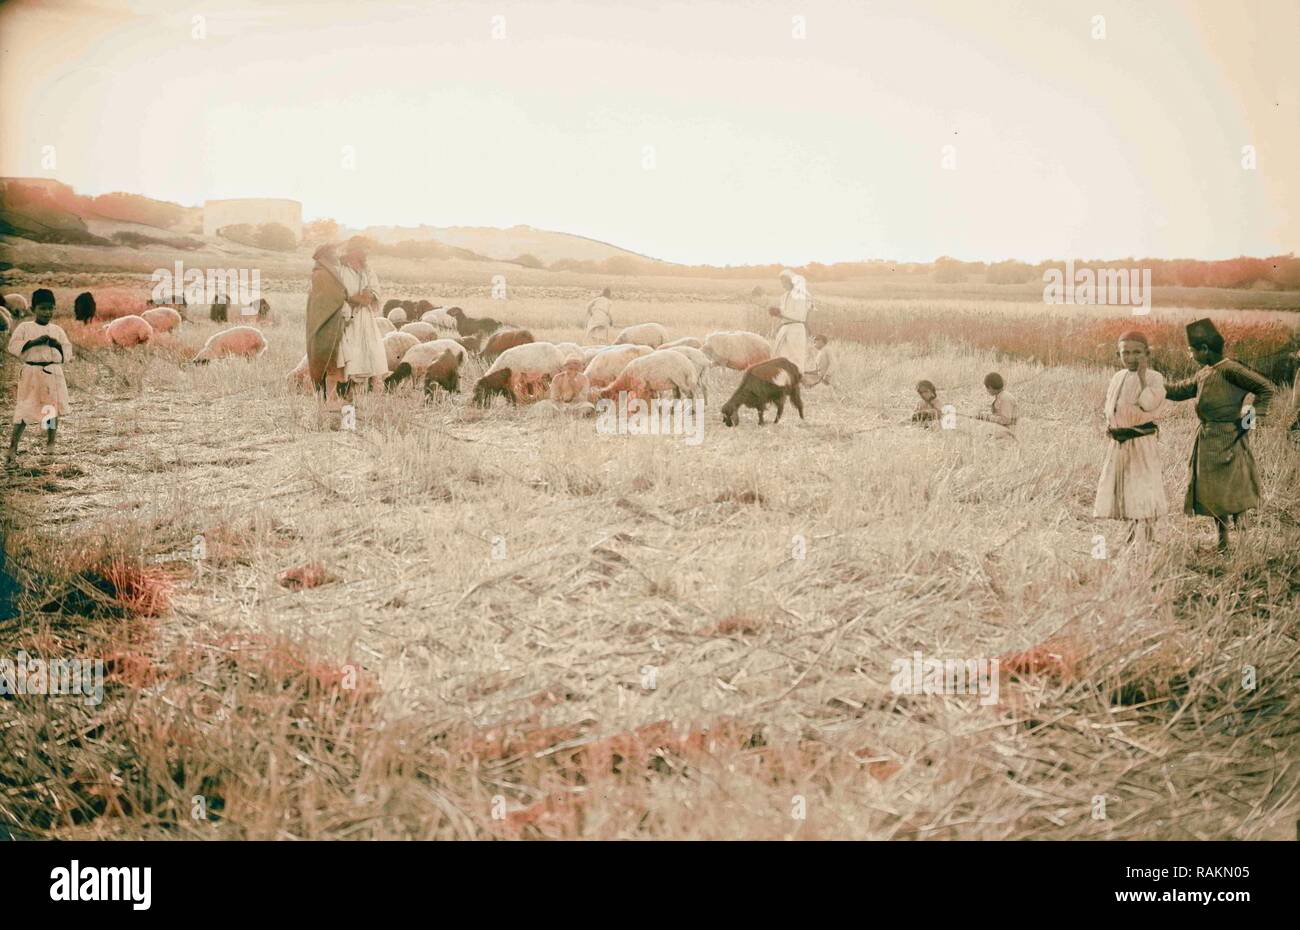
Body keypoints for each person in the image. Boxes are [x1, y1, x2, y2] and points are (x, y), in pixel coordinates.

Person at [1165, 318, 1276, 551]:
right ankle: (1223, 543)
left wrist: (1248, 420)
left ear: (1204, 349)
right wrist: (1153, 384)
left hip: (1231, 438)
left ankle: (1244, 548)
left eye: (1192, 351)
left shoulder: (1231, 369)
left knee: (1236, 492)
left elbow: (1266, 388)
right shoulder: (1204, 373)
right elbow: (1178, 391)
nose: (1191, 356)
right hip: (1208, 439)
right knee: (1215, 493)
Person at [1093, 332, 1168, 544]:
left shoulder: (1154, 378)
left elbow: (1148, 404)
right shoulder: (1118, 377)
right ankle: (1131, 533)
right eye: (1126, 352)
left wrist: (1143, 377)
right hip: (1120, 441)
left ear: (1147, 354)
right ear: (1119, 354)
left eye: (1137, 352)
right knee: (1124, 485)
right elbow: (1111, 405)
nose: (1131, 357)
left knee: (1142, 485)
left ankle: (1149, 535)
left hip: (1141, 441)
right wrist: (1111, 425)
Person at [305, 237, 386, 409]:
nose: (366, 253)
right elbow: (338, 292)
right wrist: (356, 298)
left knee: (363, 357)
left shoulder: (367, 269)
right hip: (344, 317)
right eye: (364, 249)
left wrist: (368, 296)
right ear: (354, 250)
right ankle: (333, 397)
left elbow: (374, 290)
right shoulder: (339, 268)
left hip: (364, 319)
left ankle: (352, 397)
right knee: (342, 357)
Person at [7, 289, 73, 464]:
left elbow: (67, 353)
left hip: (52, 374)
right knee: (24, 408)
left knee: (51, 411)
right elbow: (12, 347)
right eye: (43, 308)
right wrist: (34, 342)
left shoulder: (57, 330)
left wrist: (57, 345)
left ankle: (50, 445)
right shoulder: (25, 327)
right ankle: (13, 447)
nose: (47, 312)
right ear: (33, 308)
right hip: (31, 374)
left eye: (51, 308)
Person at [770, 269, 810, 373]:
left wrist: (780, 311)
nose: (782, 284)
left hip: (796, 329)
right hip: (784, 328)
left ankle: (797, 380)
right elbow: (785, 315)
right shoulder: (783, 296)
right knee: (780, 355)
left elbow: (799, 315)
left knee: (796, 357)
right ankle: (783, 381)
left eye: (784, 281)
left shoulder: (800, 295)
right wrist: (776, 313)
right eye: (781, 281)